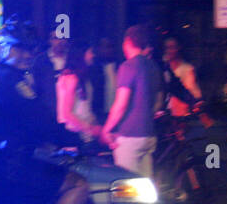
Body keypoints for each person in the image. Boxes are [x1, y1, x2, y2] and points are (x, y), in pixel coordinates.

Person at [0, 17, 88, 204]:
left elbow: (21, 122)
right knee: (78, 185)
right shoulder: (11, 81)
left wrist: (48, 140)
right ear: (5, 47)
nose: (28, 55)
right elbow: (40, 118)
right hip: (9, 165)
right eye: (22, 48)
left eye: (31, 49)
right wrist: (76, 141)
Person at [101, 25, 163, 177]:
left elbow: (121, 105)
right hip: (149, 135)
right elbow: (158, 102)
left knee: (126, 187)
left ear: (128, 42)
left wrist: (107, 129)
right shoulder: (154, 67)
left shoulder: (128, 66)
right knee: (145, 187)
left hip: (130, 136)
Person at [55, 45, 101, 144]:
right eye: (90, 52)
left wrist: (94, 124)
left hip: (83, 132)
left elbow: (84, 107)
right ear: (81, 55)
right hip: (75, 134)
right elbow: (66, 113)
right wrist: (90, 129)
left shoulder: (81, 77)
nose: (92, 55)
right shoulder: (70, 78)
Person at [160, 36, 202, 117]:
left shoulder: (187, 68)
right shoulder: (160, 66)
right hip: (163, 114)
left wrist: (196, 105)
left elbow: (193, 92)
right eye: (167, 48)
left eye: (172, 47)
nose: (169, 50)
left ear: (178, 48)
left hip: (180, 114)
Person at [84, 38, 118, 125]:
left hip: (116, 112)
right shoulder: (94, 68)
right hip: (99, 113)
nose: (108, 50)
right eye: (105, 47)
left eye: (111, 47)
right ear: (99, 49)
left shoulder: (119, 66)